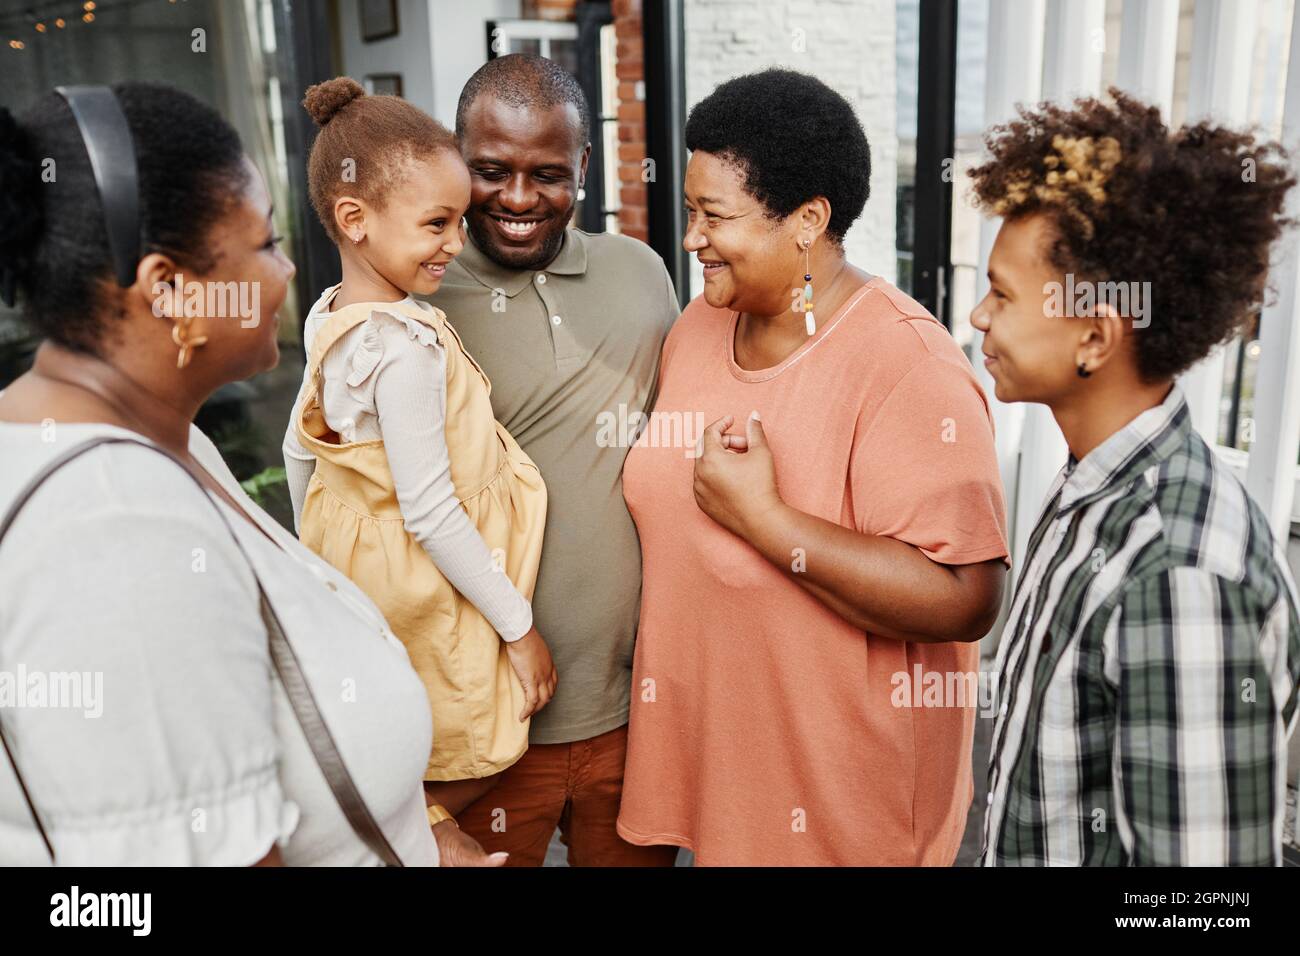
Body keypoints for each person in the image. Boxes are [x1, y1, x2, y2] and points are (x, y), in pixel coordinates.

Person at [0, 82, 437, 866]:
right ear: (168, 286)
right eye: (265, 244)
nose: (287, 270)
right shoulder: (114, 528)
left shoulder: (158, 445)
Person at [615, 68, 1009, 866]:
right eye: (689, 211)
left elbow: (967, 599)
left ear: (808, 221)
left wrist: (768, 522)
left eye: (713, 216)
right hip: (722, 779)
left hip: (840, 810)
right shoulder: (696, 326)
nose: (690, 238)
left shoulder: (907, 365)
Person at [971, 90, 1300, 865]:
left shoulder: (1180, 573)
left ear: (1094, 334)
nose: (981, 316)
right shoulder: (1094, 488)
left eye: (1004, 294)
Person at [281, 78, 556, 865]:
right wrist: (519, 627)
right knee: (470, 731)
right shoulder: (401, 348)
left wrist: (318, 558)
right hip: (433, 584)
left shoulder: (332, 313)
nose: (454, 244)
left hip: (369, 570)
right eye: (436, 223)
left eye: (459, 222)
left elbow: (303, 448)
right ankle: (428, 831)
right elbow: (431, 510)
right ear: (354, 219)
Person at [423, 54, 680, 866]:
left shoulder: (641, 275)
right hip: (489, 731)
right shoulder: (413, 301)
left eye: (549, 174)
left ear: (585, 168)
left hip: (637, 714)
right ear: (454, 160)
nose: (520, 200)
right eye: (490, 172)